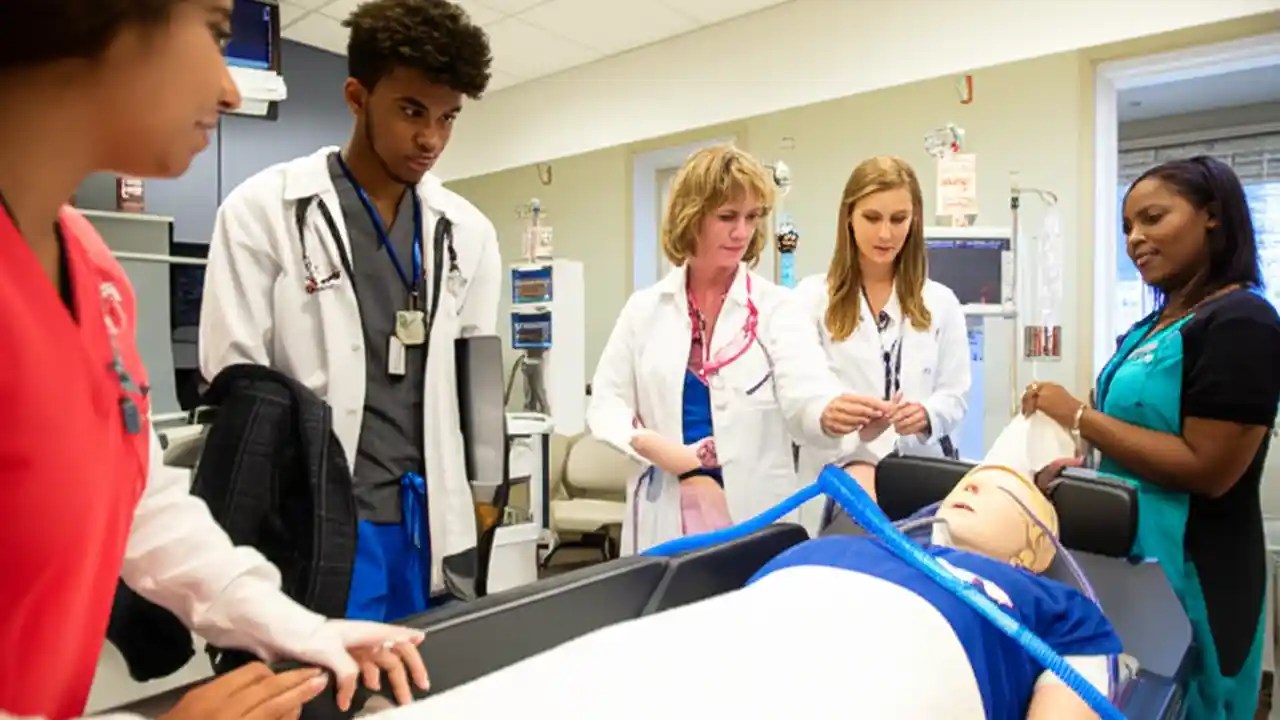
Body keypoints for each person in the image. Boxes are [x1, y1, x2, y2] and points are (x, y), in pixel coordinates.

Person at [0, 1, 429, 718]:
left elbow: (131, 491)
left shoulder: (95, 272)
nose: (231, 90)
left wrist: (293, 624)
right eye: (215, 32)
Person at [374, 413, 1122, 720]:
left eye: (990, 488)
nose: (964, 489)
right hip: (752, 621)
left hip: (901, 654)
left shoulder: (1035, 599)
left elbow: (1076, 694)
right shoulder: (847, 541)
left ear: (1034, 546)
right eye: (964, 482)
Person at [199, 0, 501, 623]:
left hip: (426, 522)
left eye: (448, 118)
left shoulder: (467, 232)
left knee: (421, 690)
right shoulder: (264, 212)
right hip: (315, 518)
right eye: (411, 111)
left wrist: (486, 492)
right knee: (323, 697)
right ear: (357, 97)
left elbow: (479, 376)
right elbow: (237, 386)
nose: (431, 139)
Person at [1022, 156, 1280, 720]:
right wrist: (1078, 472)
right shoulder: (1151, 327)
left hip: (1196, 576)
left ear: (1211, 216)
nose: (1136, 239)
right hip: (1129, 569)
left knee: (1191, 703)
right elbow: (1132, 443)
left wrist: (1079, 416)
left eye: (1154, 218)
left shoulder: (1242, 322)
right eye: (1128, 228)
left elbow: (1208, 469)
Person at [588, 144, 818, 554]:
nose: (741, 233)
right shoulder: (645, 310)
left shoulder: (776, 308)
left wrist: (834, 414)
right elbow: (606, 406)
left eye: (752, 217)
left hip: (753, 510)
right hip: (666, 507)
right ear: (691, 217)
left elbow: (806, 399)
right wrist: (661, 451)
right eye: (727, 217)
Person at [771, 156, 971, 527]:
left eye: (898, 219)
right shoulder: (810, 300)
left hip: (920, 485)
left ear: (914, 220)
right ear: (849, 216)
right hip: (838, 484)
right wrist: (828, 415)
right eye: (872, 218)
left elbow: (955, 396)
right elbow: (797, 397)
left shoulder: (941, 303)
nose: (885, 234)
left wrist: (927, 415)